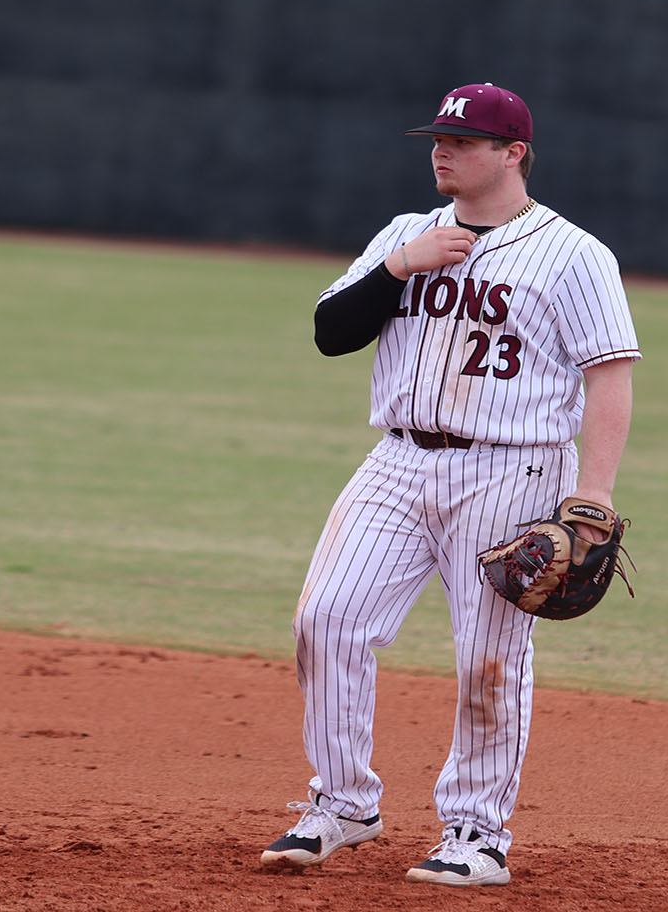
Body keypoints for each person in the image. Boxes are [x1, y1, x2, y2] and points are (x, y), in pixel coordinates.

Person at [259, 83, 641, 886]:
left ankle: (476, 833)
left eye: (463, 142)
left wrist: (596, 494)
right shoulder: (406, 232)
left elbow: (609, 375)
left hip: (516, 468)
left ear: (513, 153)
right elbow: (332, 333)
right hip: (397, 462)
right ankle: (343, 804)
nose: (442, 150)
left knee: (489, 657)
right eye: (438, 138)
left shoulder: (574, 253)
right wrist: (403, 264)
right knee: (326, 619)